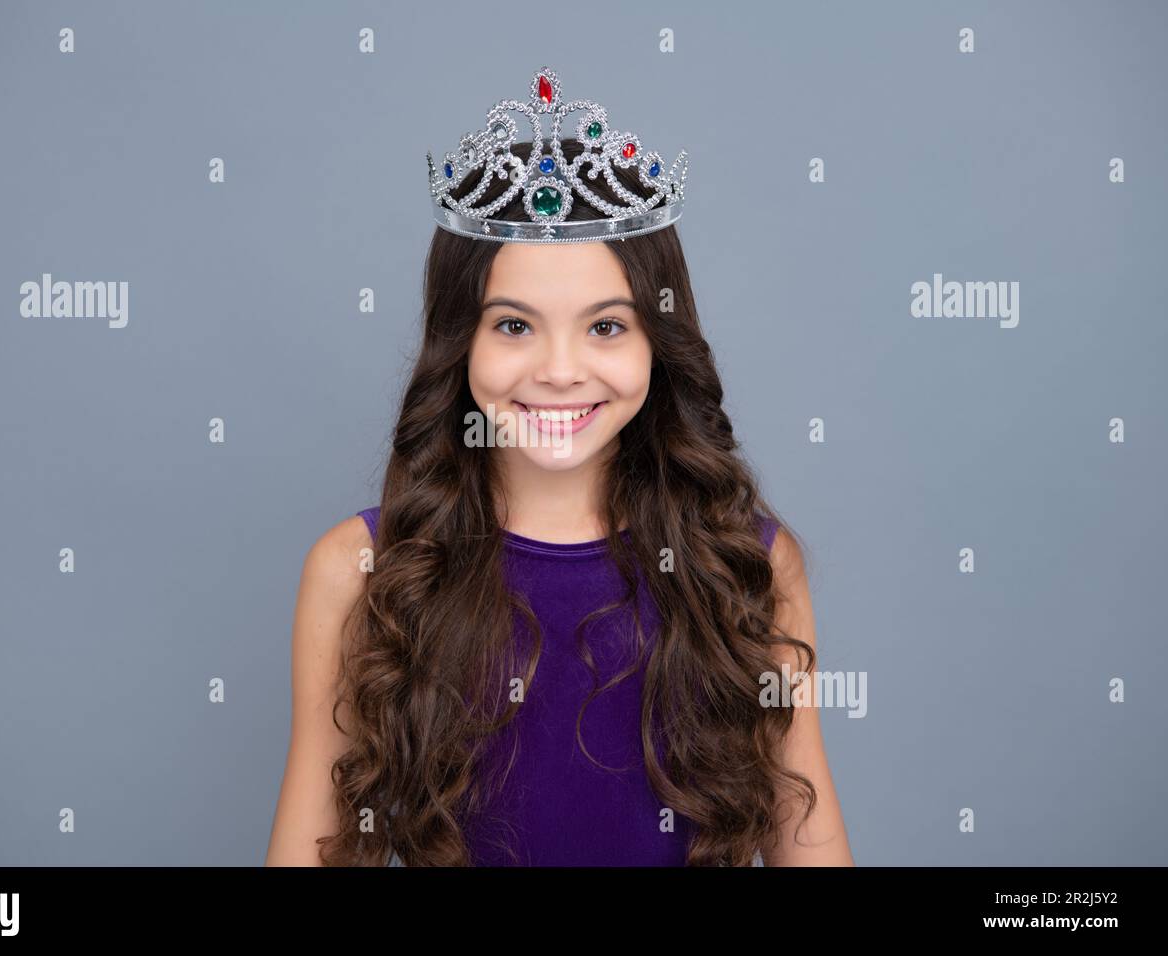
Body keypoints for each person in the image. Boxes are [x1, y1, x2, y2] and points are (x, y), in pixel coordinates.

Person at [267, 67, 852, 866]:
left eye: (606, 328)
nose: (560, 370)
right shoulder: (357, 570)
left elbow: (805, 837)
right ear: (458, 340)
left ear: (659, 341)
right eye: (514, 325)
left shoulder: (746, 563)